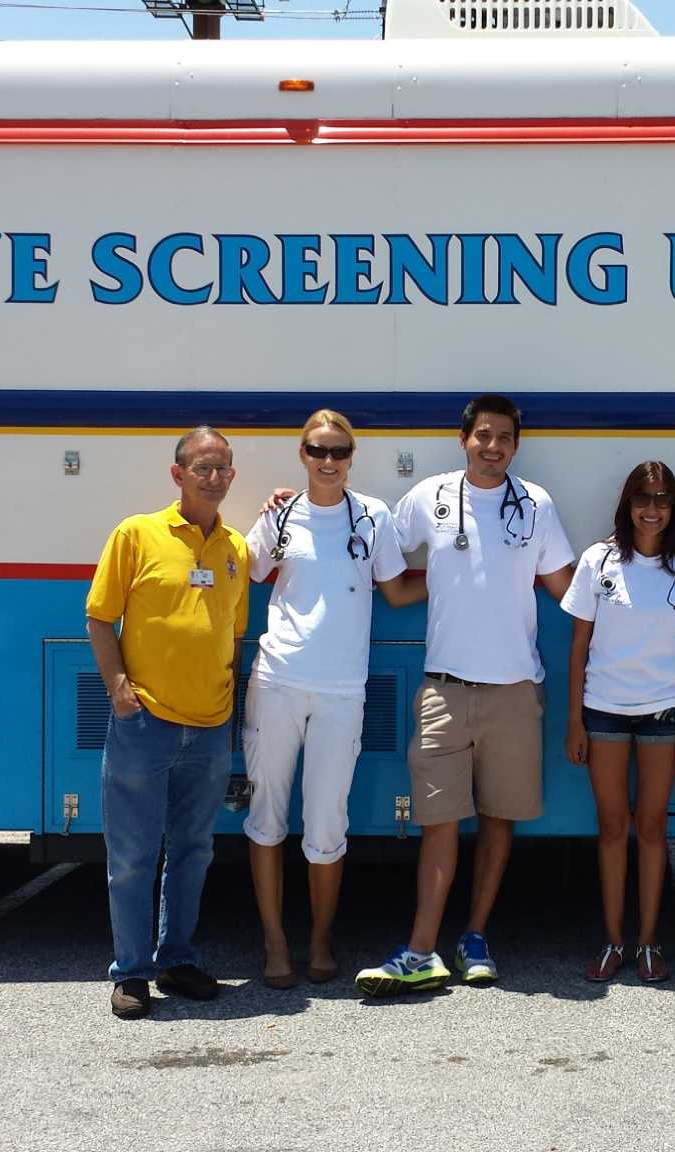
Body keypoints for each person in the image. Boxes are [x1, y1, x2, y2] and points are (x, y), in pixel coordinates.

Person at [355, 394, 577, 997]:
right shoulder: (428, 497)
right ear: (464, 439)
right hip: (444, 689)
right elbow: (384, 555)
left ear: (516, 445)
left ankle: (475, 936)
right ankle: (421, 949)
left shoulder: (535, 505)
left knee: (500, 820)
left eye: (504, 437)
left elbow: (565, 585)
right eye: (483, 435)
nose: (493, 446)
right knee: (439, 821)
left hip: (513, 689)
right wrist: (295, 510)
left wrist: (636, 567)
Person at [241, 410, 422, 989]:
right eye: (318, 450)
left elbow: (396, 590)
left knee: (326, 824)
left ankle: (319, 939)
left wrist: (467, 570)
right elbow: (243, 570)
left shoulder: (373, 516)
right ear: (302, 453)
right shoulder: (280, 515)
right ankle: (275, 943)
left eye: (339, 451)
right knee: (266, 817)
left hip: (343, 689)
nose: (328, 461)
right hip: (277, 682)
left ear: (352, 455)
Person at [86, 426, 249, 1020]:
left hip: (210, 727)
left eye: (222, 468)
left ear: (232, 476)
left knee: (193, 851)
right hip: (145, 722)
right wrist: (119, 690)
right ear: (178, 474)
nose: (213, 477)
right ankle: (130, 973)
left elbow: (232, 632)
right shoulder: (137, 534)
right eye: (201, 467)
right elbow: (99, 618)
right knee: (131, 855)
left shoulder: (235, 547)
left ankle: (176, 959)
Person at [559, 461, 675, 983]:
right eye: (642, 498)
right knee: (611, 827)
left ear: (674, 507)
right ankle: (612, 941)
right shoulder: (598, 560)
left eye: (663, 499)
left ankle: (648, 941)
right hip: (603, 712)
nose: (652, 509)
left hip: (664, 714)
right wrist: (574, 720)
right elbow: (578, 647)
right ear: (627, 503)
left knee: (651, 827)